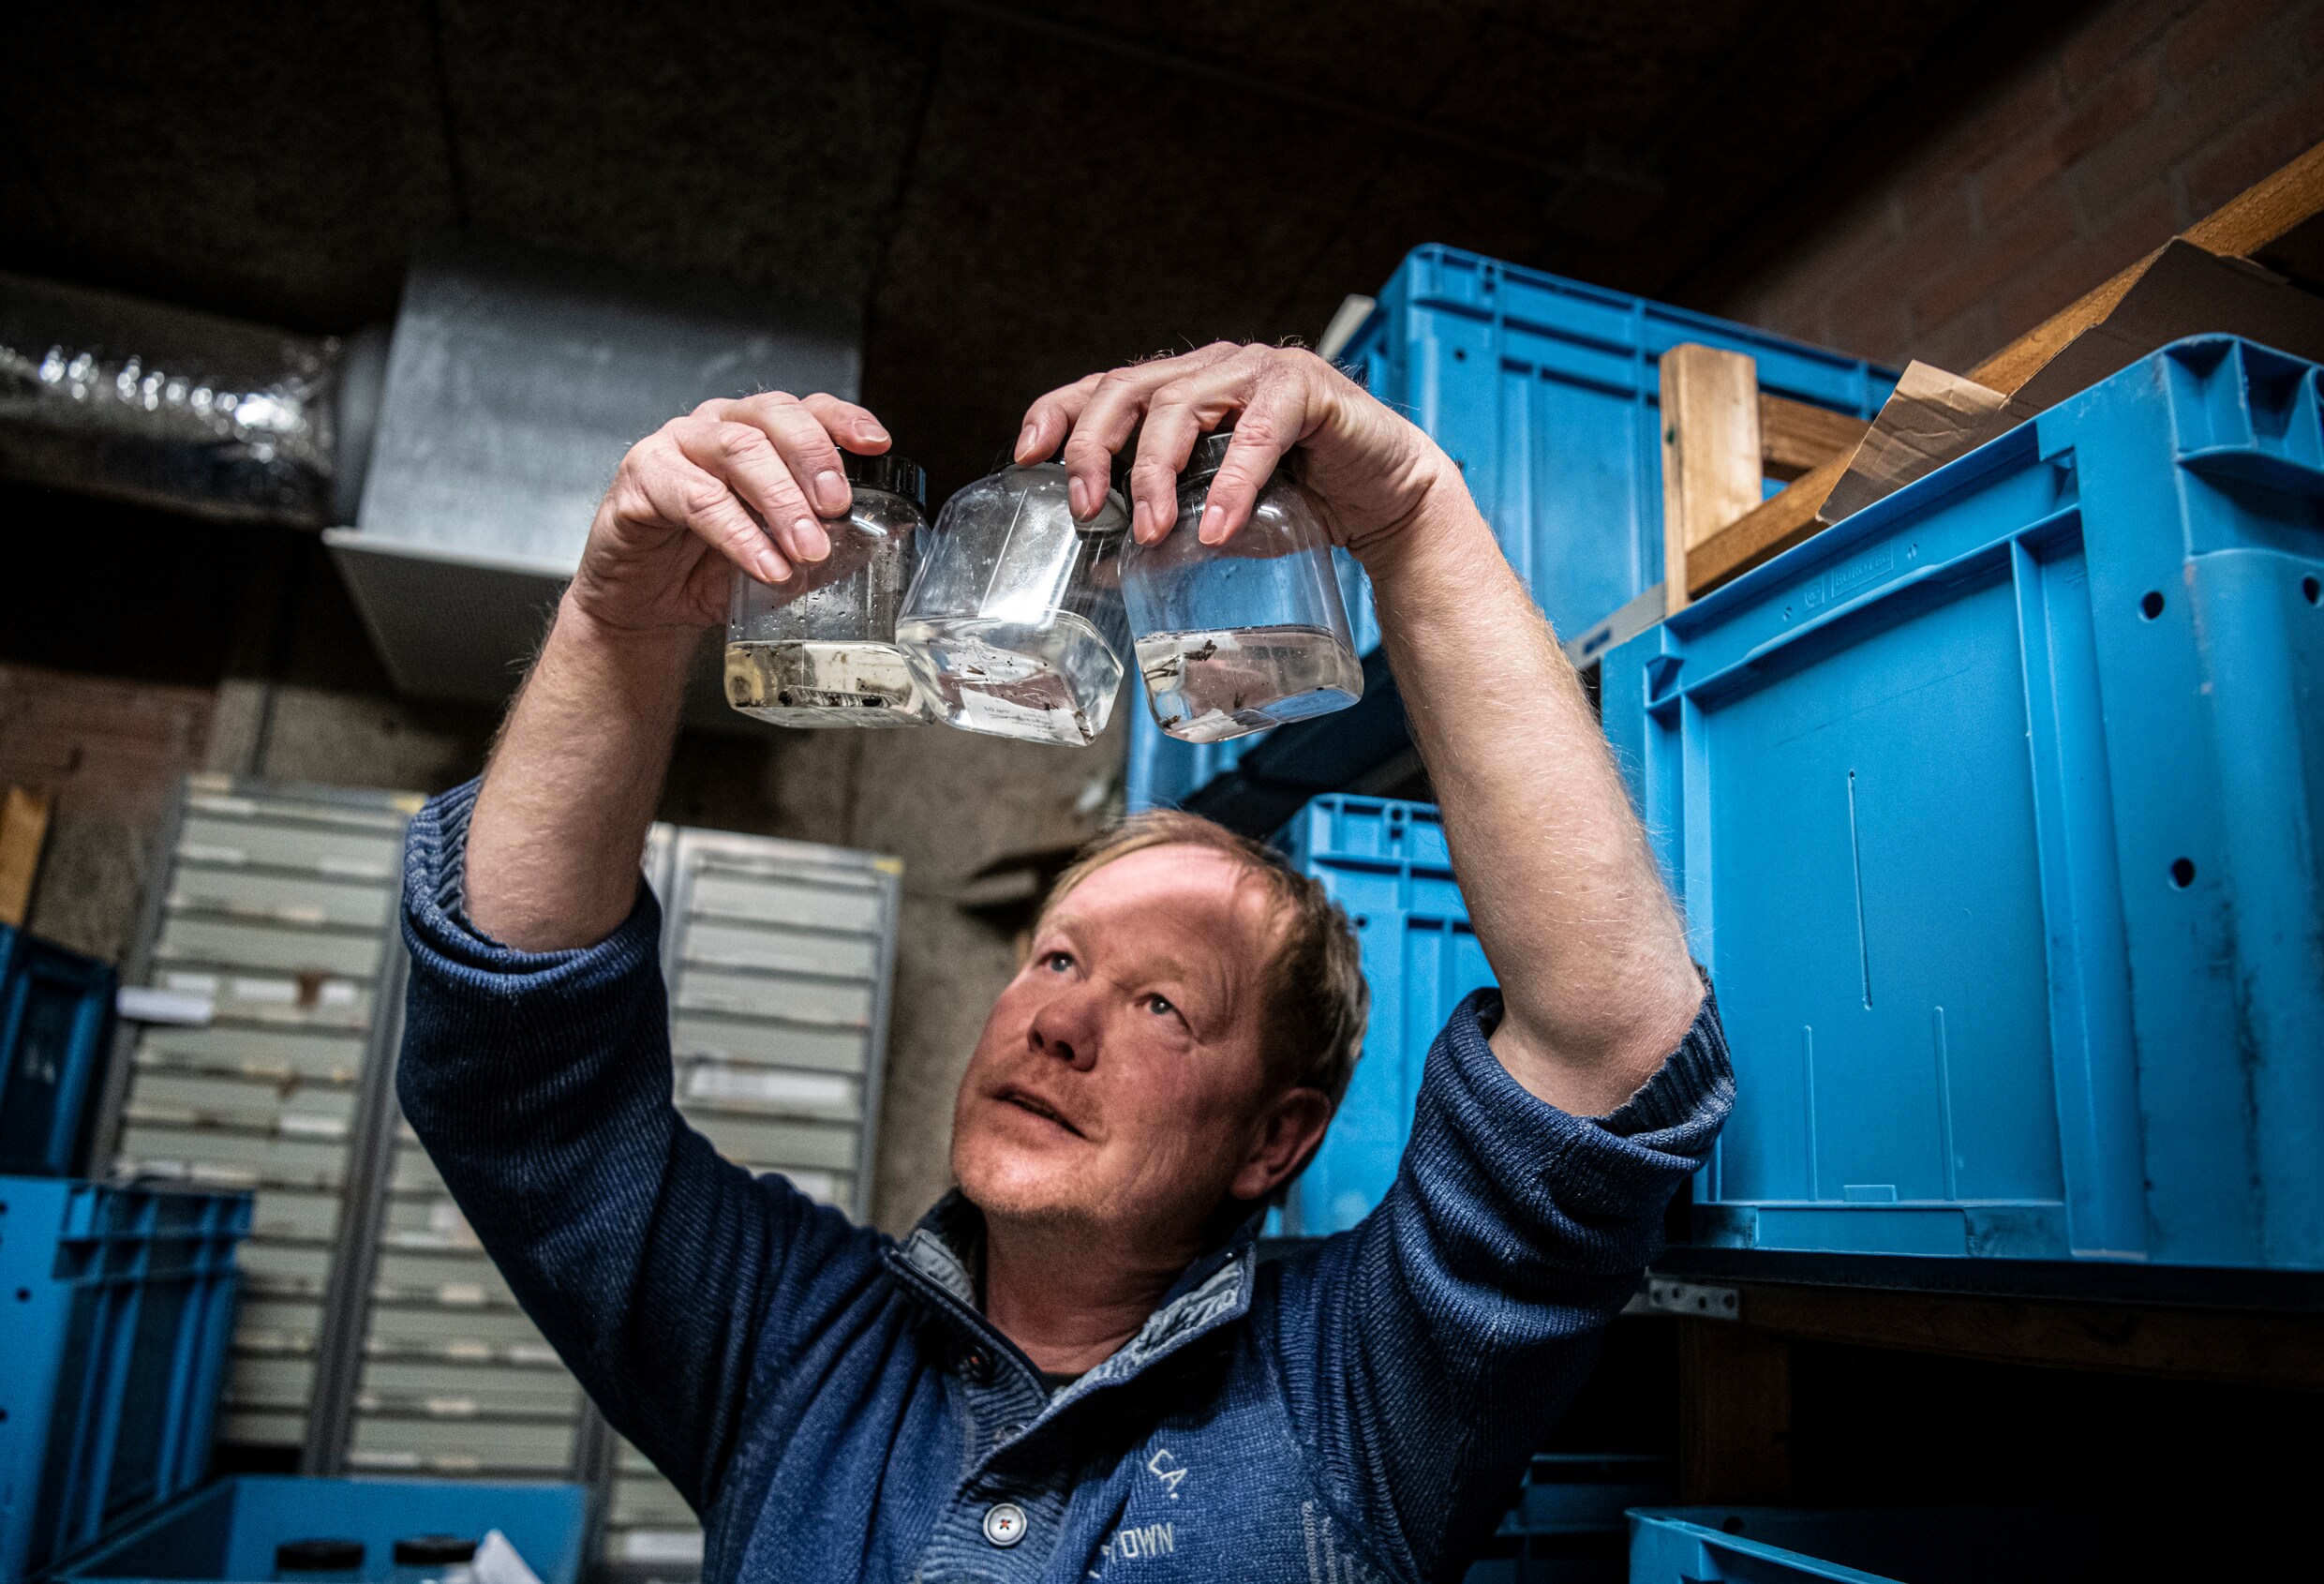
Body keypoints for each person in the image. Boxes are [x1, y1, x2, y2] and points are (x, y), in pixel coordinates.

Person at [397, 342, 1731, 1582]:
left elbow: (1609, 1048)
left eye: (1161, 1001)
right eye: (1053, 960)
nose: (1058, 1025)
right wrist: (619, 619)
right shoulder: (794, 1342)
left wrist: (1415, 520)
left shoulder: (1354, 1387)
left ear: (1276, 1136)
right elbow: (526, 1087)